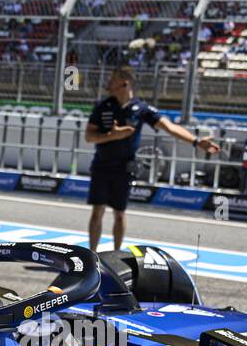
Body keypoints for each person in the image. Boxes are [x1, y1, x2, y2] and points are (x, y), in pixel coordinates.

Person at [83, 66, 218, 251]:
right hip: (102, 165)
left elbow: (170, 127)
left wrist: (196, 141)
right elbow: (89, 136)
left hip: (124, 167)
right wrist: (112, 136)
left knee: (120, 213)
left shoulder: (141, 108)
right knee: (97, 210)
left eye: (112, 79)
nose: (108, 82)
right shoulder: (102, 106)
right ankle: (92, 255)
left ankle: (116, 254)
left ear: (124, 83)